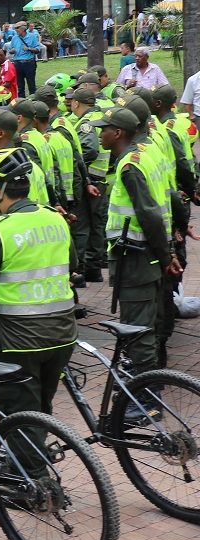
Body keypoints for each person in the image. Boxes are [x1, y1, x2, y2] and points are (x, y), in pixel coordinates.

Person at [0, 149, 77, 416]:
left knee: (20, 412)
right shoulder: (55, 218)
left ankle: (25, 457)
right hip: (64, 332)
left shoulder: (0, 229)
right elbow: (73, 264)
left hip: (20, 337)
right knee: (43, 406)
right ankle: (37, 450)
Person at [98, 107, 179, 380]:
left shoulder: (130, 165)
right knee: (151, 323)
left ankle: (146, 398)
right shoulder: (149, 152)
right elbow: (171, 198)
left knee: (137, 328)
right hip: (150, 253)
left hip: (136, 258)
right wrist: (168, 251)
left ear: (118, 132)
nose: (100, 134)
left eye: (104, 129)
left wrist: (167, 256)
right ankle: (153, 380)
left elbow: (148, 215)